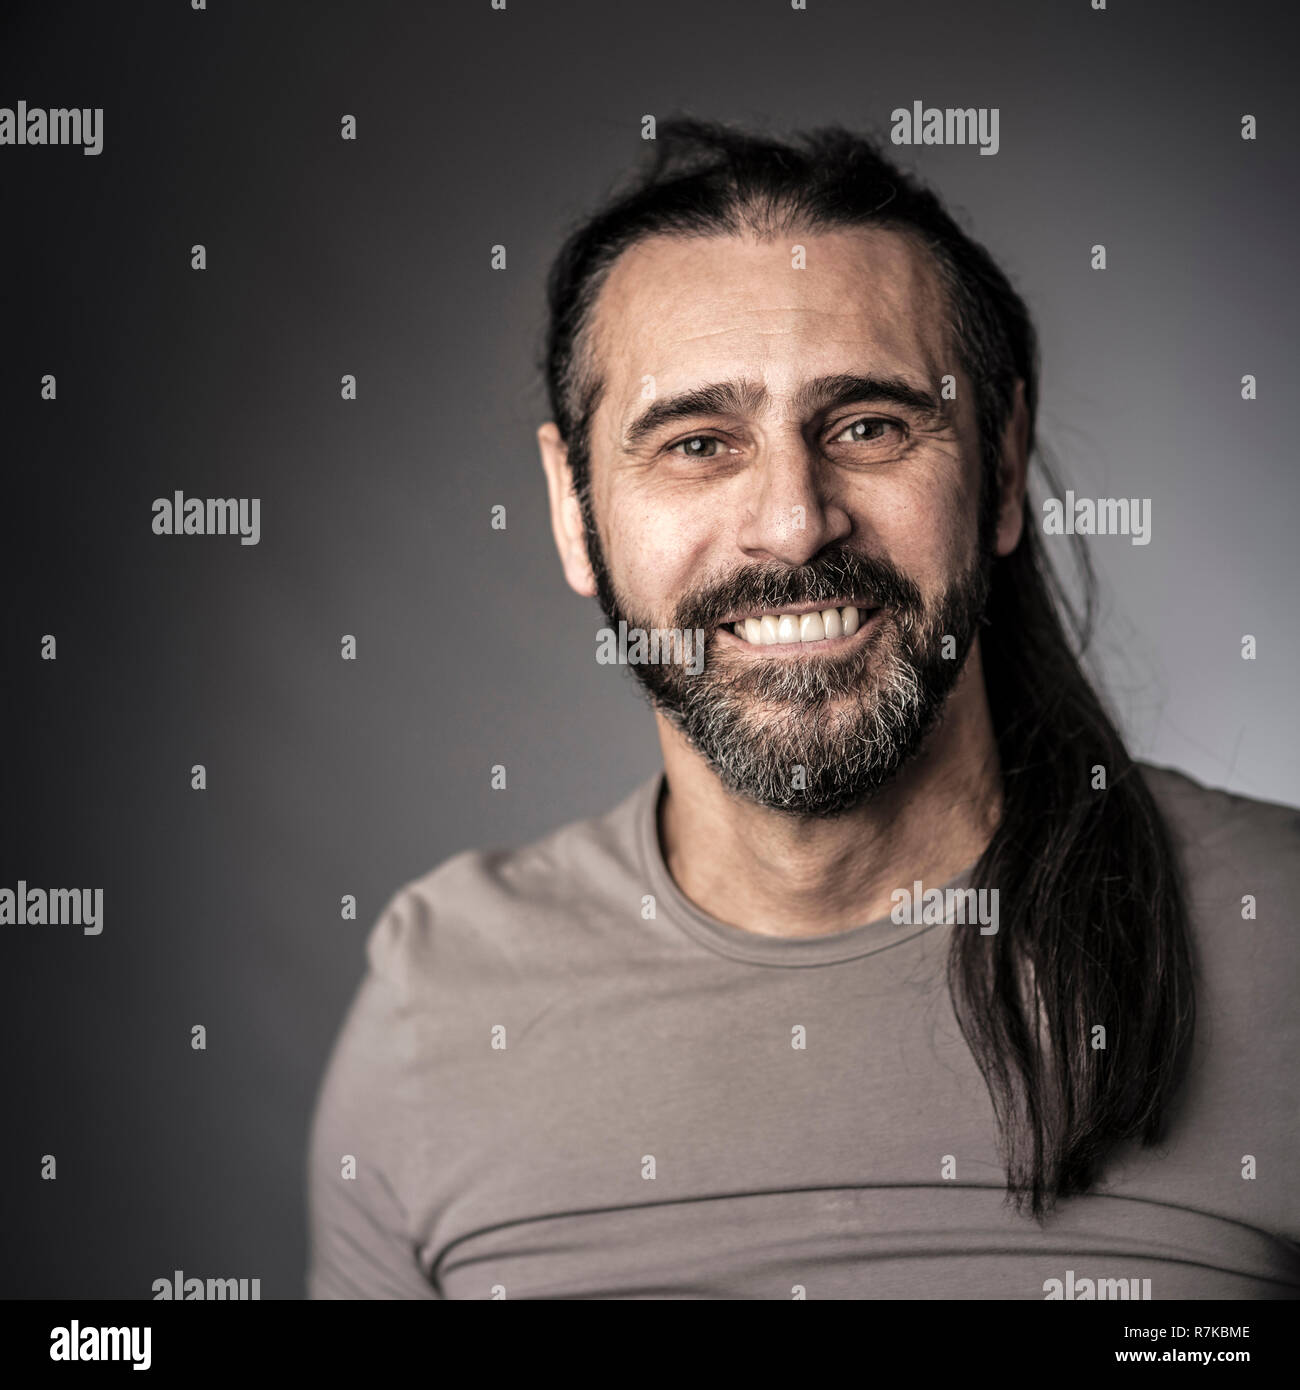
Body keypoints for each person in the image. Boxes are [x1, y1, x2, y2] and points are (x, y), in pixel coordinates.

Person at [307, 119, 1299, 1300]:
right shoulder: (443, 1000)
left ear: (999, 465)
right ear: (574, 512)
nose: (792, 519)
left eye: (869, 426)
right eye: (696, 442)